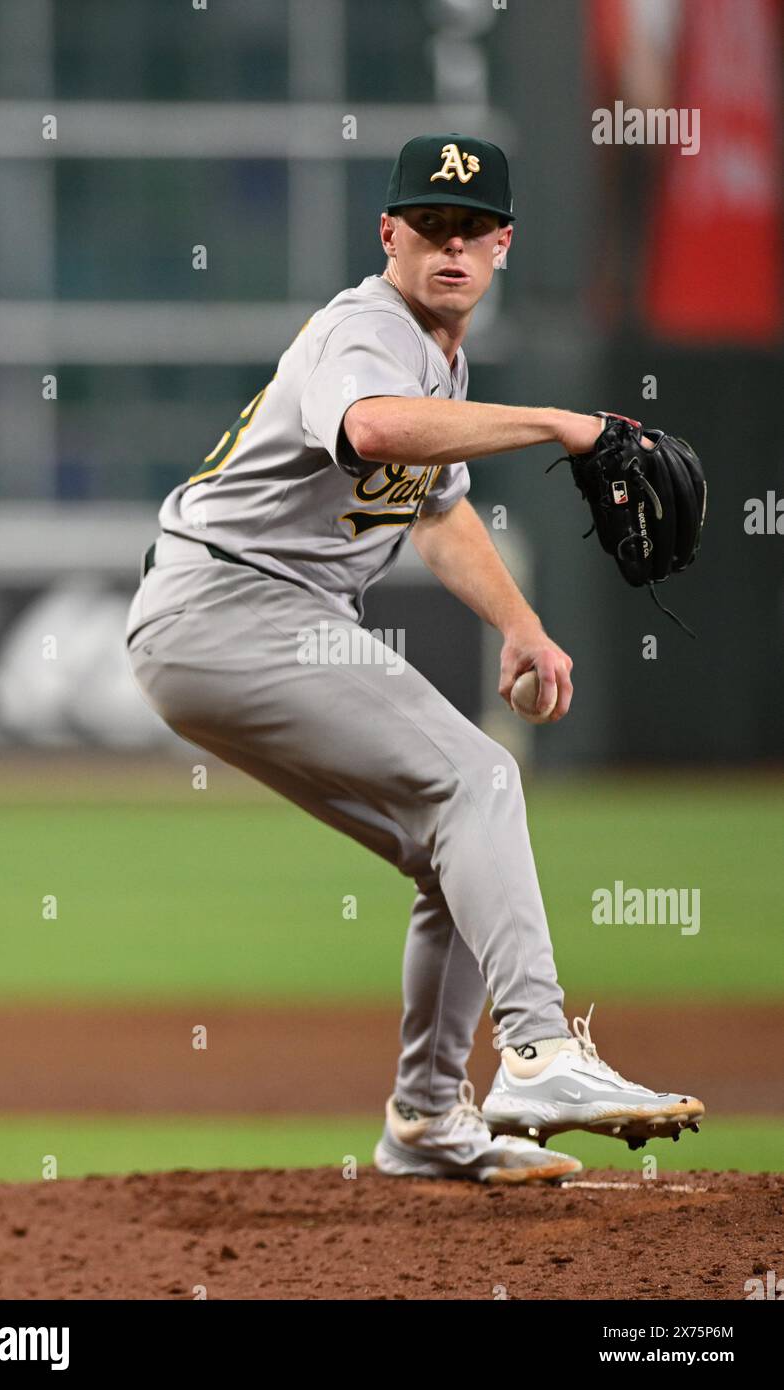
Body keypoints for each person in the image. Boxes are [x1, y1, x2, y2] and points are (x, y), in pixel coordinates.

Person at [125, 134, 704, 1185]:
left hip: (238, 616)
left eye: (470, 228)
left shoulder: (441, 358)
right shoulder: (366, 328)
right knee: (479, 778)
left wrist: (521, 624)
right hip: (228, 603)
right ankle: (535, 1052)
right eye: (428, 225)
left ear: (502, 244)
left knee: (459, 839)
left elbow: (434, 512)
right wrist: (565, 426)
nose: (449, 246)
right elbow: (376, 431)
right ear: (386, 234)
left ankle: (427, 1117)